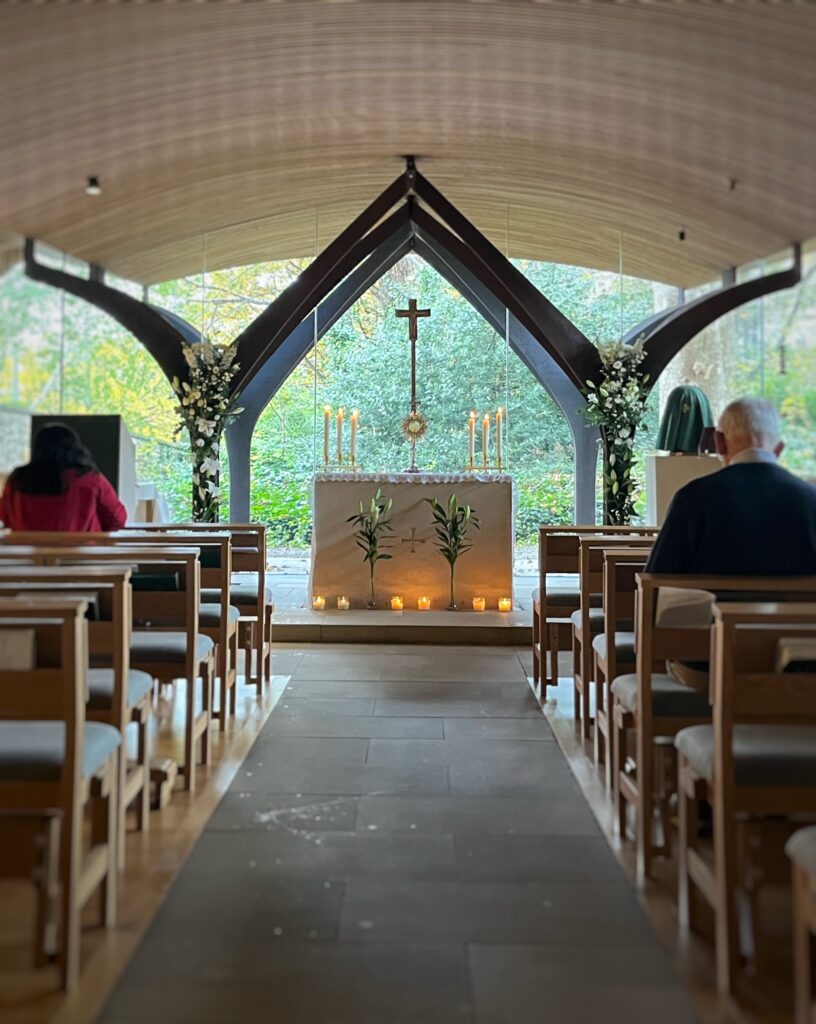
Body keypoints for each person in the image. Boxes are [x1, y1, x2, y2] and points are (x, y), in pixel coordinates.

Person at [646, 396, 816, 576]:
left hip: (712, 605)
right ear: (779, 449)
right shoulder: (811, 500)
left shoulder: (692, 498)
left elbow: (657, 579)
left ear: (719, 442)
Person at [0, 423, 127, 532]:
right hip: (82, 557)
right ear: (75, 448)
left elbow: (5, 516)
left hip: (26, 557)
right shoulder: (90, 479)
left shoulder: (18, 478)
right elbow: (117, 519)